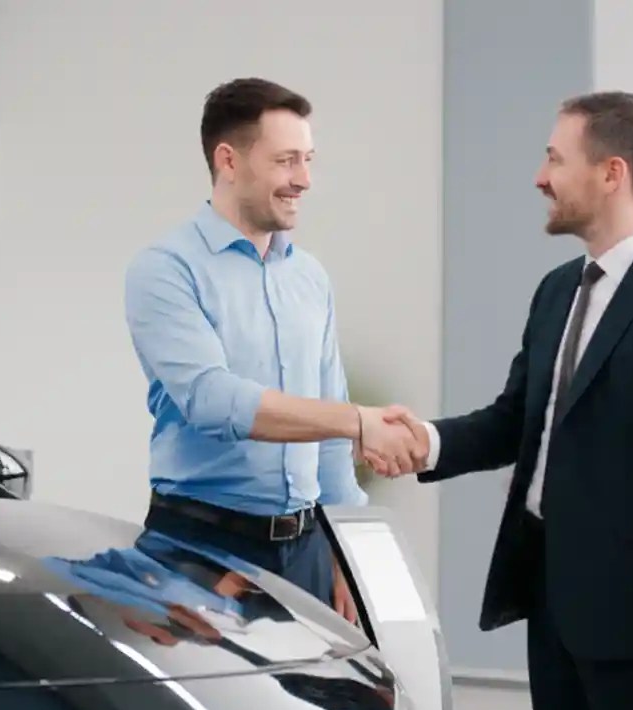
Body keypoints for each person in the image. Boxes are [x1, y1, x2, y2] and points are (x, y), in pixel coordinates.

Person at [373, 91, 633, 710]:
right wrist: (424, 442)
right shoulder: (556, 291)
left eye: (555, 158)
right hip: (550, 606)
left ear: (611, 173)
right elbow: (514, 421)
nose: (539, 177)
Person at [123, 77, 420, 622]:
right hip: (199, 551)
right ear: (228, 161)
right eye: (286, 161)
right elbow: (213, 401)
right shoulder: (166, 270)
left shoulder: (309, 277)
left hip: (307, 553)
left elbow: (329, 432)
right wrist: (357, 421)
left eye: (308, 160)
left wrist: (346, 549)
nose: (303, 179)